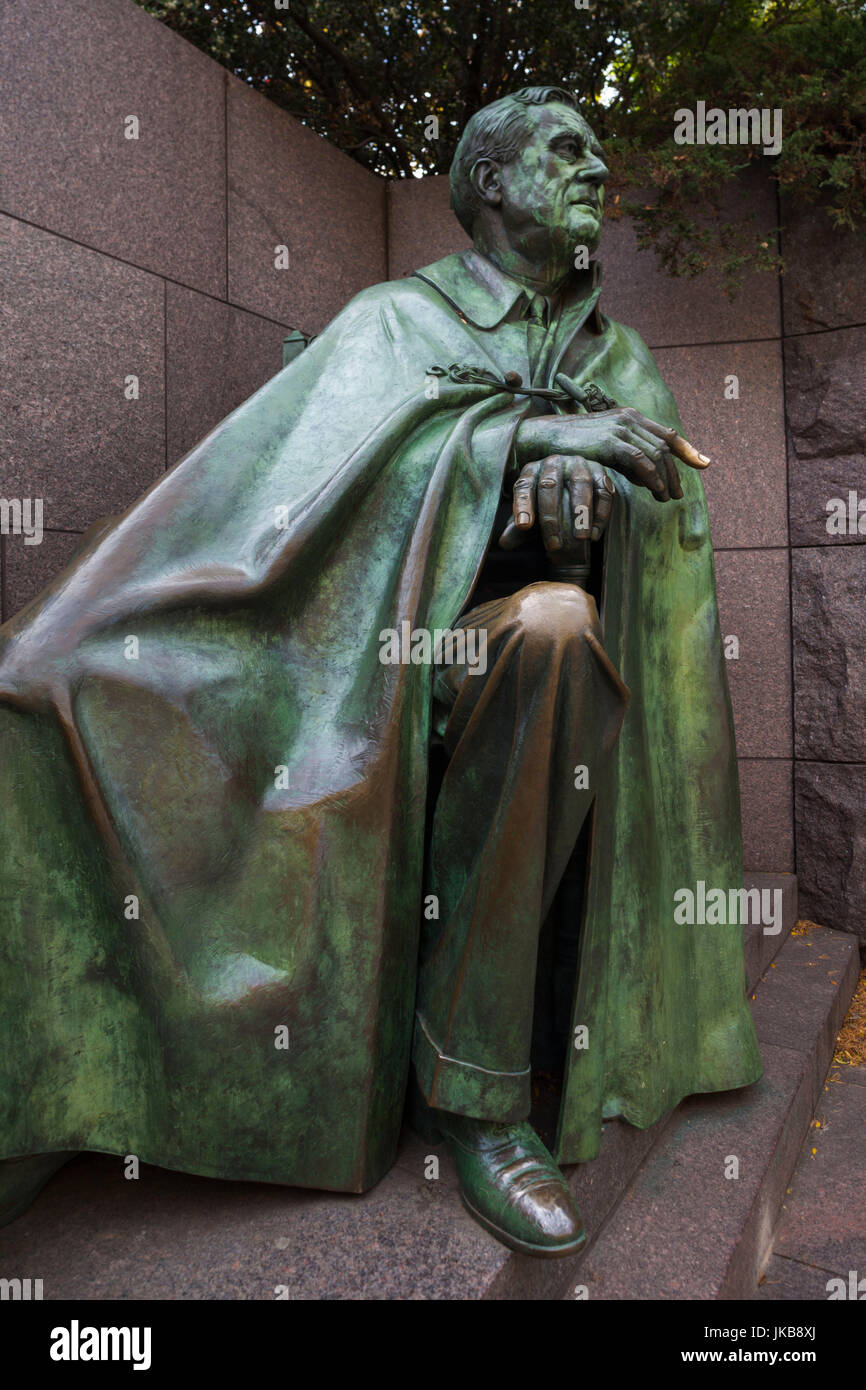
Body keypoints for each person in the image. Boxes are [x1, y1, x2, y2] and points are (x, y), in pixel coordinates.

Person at [0, 88, 761, 1257]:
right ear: (489, 184)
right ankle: (53, 1078)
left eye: (601, 151)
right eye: (565, 149)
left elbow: (668, 560)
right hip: (341, 664)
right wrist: (514, 439)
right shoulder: (394, 323)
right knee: (42, 688)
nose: (594, 168)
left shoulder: (625, 362)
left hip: (502, 671)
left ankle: (473, 1098)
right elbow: (282, 505)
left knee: (555, 628)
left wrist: (590, 512)